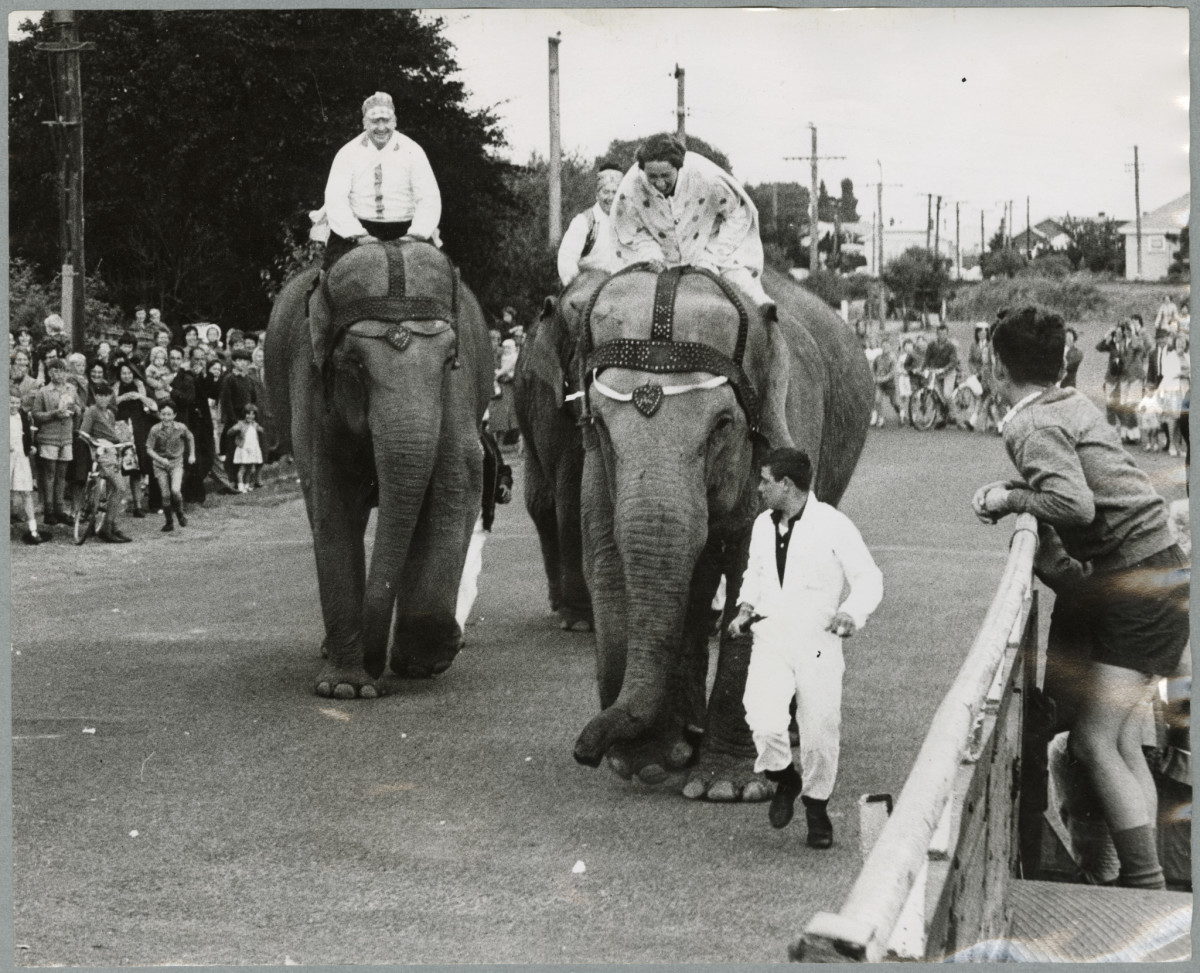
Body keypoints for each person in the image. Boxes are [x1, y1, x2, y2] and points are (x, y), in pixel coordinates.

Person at [972, 305, 1189, 890]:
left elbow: (1073, 504)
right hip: (1155, 572)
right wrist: (1019, 491)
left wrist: (1009, 499)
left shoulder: (1029, 424)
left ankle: (1144, 882)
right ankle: (1147, 880)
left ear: (996, 366)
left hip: (1141, 583)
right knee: (1118, 738)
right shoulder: (1066, 401)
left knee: (1094, 741)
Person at [729, 447, 883, 849]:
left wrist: (850, 612)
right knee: (763, 719)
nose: (759, 488)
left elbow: (869, 578)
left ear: (786, 484)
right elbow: (754, 572)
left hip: (817, 644)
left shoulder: (832, 524)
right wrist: (745, 608)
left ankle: (816, 809)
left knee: (818, 730)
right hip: (771, 638)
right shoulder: (762, 525)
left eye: (765, 481)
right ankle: (784, 778)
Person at [609, 134, 772, 310]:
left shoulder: (707, 177)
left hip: (710, 246)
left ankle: (767, 316)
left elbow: (738, 213)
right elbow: (630, 229)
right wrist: (651, 254)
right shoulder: (631, 187)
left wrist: (711, 256)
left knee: (744, 286)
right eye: (652, 176)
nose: (660, 183)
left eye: (665, 175)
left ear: (678, 167)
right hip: (659, 253)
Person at [321, 91, 442, 270]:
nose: (381, 127)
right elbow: (335, 199)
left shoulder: (413, 151)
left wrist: (415, 235)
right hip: (358, 228)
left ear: (395, 122)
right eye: (374, 121)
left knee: (439, 276)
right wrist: (358, 235)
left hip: (406, 229)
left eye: (386, 120)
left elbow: (428, 197)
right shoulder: (347, 153)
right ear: (364, 123)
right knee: (330, 276)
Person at [455, 422, 514, 630]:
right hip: (450, 516)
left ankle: (456, 627)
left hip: (477, 518)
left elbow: (500, 467)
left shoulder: (485, 437)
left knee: (467, 575)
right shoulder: (452, 431)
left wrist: (504, 484)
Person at [79, 382, 132, 543]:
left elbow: (113, 433)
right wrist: (97, 444)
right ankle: (106, 528)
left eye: (106, 395)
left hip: (113, 452)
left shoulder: (110, 413)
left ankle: (112, 524)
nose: (103, 399)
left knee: (113, 490)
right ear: (95, 396)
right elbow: (83, 434)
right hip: (101, 453)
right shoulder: (91, 411)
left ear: (110, 397)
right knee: (120, 488)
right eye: (100, 395)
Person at [31, 358, 82, 526]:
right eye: (55, 371)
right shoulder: (43, 391)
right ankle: (49, 511)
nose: (60, 375)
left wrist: (75, 410)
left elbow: (79, 409)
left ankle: (60, 510)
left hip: (66, 437)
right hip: (49, 437)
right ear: (50, 373)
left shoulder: (71, 389)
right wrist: (54, 413)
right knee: (49, 474)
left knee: (62, 475)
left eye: (62, 371)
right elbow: (36, 414)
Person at [557, 162, 623, 286]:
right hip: (587, 289)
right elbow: (566, 261)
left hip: (619, 290)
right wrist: (581, 288)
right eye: (606, 192)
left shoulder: (627, 222)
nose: (611, 197)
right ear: (597, 195)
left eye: (615, 192)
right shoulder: (584, 222)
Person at [114, 361, 158, 519]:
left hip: (138, 430)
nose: (127, 376)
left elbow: (154, 407)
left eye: (129, 373)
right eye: (124, 373)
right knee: (118, 468)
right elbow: (109, 404)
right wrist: (122, 398)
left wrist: (140, 396)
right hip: (120, 430)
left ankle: (138, 505)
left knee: (136, 469)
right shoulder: (115, 387)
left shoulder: (141, 386)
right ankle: (116, 503)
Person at [145, 400, 196, 532]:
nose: (166, 418)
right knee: (165, 495)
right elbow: (149, 449)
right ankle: (169, 522)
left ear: (174, 415)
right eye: (163, 414)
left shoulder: (181, 428)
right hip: (160, 465)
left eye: (169, 414)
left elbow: (190, 438)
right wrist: (160, 459)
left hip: (176, 463)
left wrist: (192, 454)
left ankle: (180, 513)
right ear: (159, 415)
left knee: (175, 490)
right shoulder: (155, 429)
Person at [10, 391, 44, 545]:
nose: (14, 406)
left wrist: (30, 447)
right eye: (11, 402)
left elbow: (27, 438)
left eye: (17, 402)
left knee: (26, 492)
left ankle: (33, 530)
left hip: (21, 458)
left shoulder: (23, 416)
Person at [229, 402, 264, 493]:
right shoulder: (241, 424)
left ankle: (247, 485)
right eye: (248, 414)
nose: (250, 416)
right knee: (242, 469)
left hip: (253, 448)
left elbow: (260, 429)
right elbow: (230, 432)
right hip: (244, 449)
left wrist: (261, 429)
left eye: (253, 414)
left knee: (250, 469)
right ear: (244, 414)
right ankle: (240, 486)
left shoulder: (254, 424)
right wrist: (235, 429)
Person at [923, 323, 960, 403]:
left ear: (947, 334)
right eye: (940, 334)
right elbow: (927, 358)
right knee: (932, 390)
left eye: (944, 334)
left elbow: (953, 362)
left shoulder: (951, 346)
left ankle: (953, 410)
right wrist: (924, 368)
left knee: (947, 395)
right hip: (936, 371)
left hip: (948, 372)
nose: (942, 336)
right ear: (937, 334)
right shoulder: (931, 345)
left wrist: (944, 369)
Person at [870, 336, 900, 428]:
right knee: (877, 400)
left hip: (889, 384)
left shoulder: (893, 358)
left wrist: (884, 378)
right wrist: (874, 377)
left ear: (890, 347)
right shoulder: (878, 358)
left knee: (894, 402)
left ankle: (900, 412)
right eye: (883, 346)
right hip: (879, 383)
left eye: (887, 346)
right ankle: (881, 418)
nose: (885, 348)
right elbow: (873, 368)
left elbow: (892, 373)